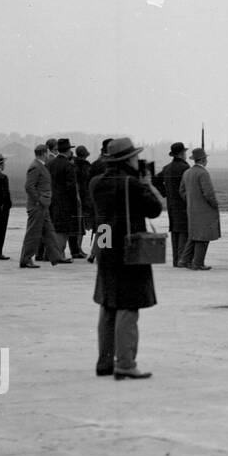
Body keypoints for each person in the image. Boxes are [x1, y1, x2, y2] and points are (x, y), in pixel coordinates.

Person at [89, 137, 163, 379]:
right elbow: (155, 208)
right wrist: (148, 184)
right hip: (130, 248)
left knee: (108, 303)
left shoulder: (96, 183)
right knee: (128, 306)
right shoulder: (132, 184)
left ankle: (104, 362)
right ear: (128, 159)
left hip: (105, 244)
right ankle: (126, 363)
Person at [19, 144, 62, 268]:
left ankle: (56, 257)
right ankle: (26, 259)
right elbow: (29, 186)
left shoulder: (40, 166)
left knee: (49, 232)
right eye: (48, 152)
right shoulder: (36, 167)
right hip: (38, 206)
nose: (49, 155)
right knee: (33, 234)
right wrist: (38, 200)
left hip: (43, 206)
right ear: (44, 153)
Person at [179, 147, 219, 270]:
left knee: (193, 236)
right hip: (204, 210)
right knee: (203, 237)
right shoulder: (203, 173)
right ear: (203, 160)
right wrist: (215, 204)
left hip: (191, 209)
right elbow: (208, 193)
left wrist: (191, 201)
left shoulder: (187, 172)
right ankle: (198, 263)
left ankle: (184, 260)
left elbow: (181, 191)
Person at [156, 142, 191, 267]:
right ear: (182, 154)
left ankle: (176, 260)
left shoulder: (167, 168)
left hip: (172, 204)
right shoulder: (185, 168)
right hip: (183, 203)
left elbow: (155, 180)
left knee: (175, 231)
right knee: (183, 231)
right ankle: (182, 260)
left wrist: (166, 193)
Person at [48, 138, 81, 261]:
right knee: (63, 230)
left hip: (52, 200)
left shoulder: (50, 164)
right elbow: (71, 187)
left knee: (54, 227)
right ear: (68, 151)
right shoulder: (68, 165)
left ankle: (51, 253)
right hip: (65, 202)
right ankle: (59, 255)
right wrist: (74, 203)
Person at [74, 145, 95, 250]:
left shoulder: (73, 165)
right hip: (85, 199)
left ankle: (77, 249)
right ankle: (79, 249)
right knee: (82, 226)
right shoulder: (87, 167)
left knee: (78, 225)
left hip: (75, 198)